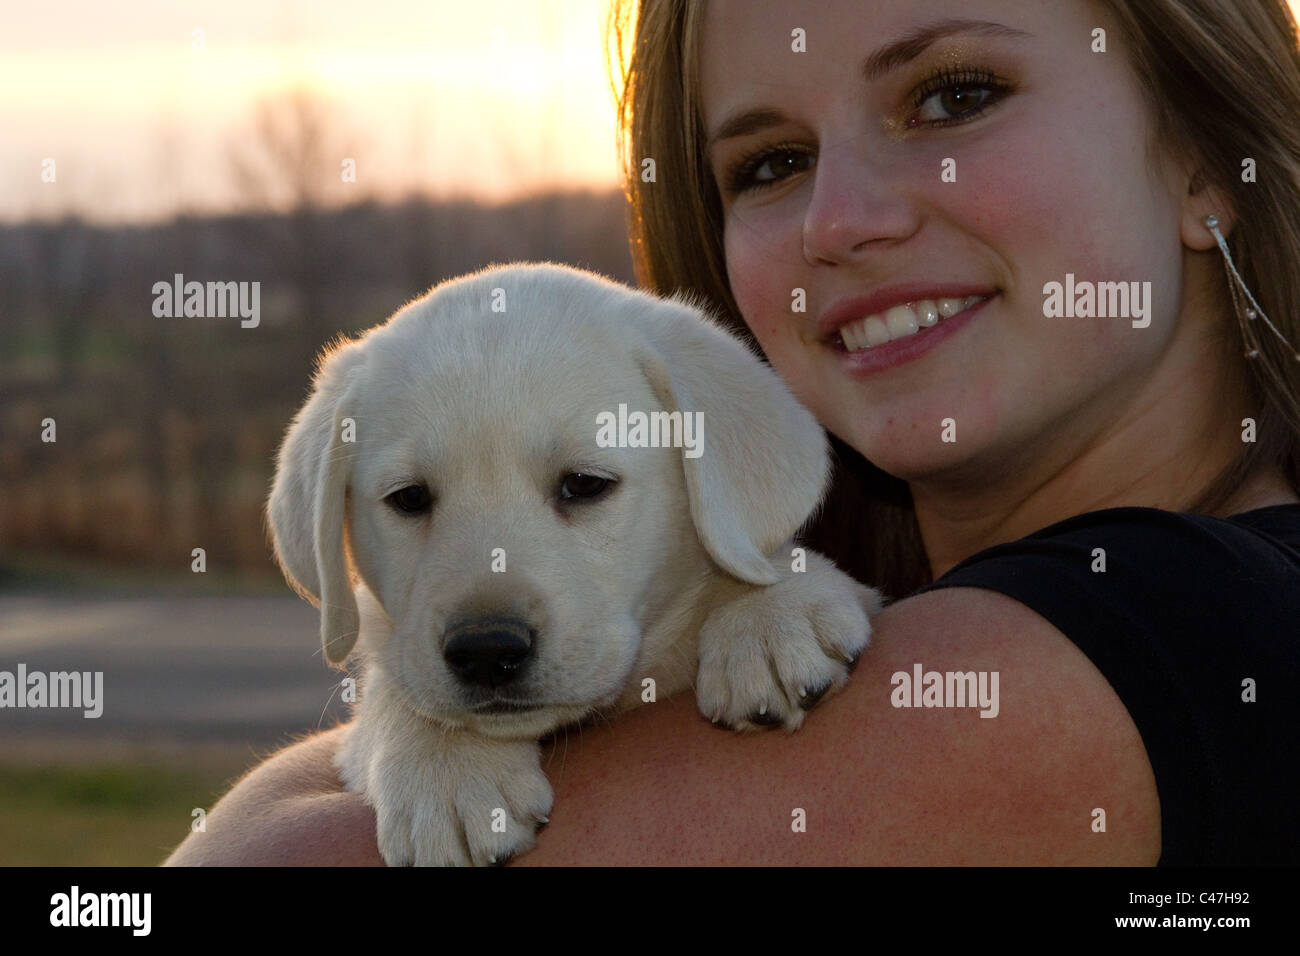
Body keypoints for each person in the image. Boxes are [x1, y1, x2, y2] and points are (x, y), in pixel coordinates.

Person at [166, 0, 1300, 866]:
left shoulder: (1197, 629)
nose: (841, 220)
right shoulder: (883, 605)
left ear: (1206, 156)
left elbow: (286, 862)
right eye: (771, 163)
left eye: (956, 96)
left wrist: (384, 740)